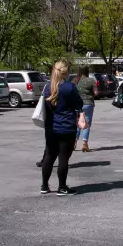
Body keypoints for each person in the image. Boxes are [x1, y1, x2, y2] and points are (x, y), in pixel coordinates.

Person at [41, 60, 84, 195]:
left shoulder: (47, 87)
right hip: (66, 126)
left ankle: (44, 186)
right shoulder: (69, 87)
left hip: (50, 127)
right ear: (66, 72)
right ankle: (62, 187)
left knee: (49, 156)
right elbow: (79, 104)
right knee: (63, 157)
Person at [73, 66, 98, 152]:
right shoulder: (91, 81)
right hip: (88, 104)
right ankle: (84, 143)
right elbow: (96, 92)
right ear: (87, 71)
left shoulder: (75, 80)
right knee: (86, 123)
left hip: (77, 104)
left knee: (77, 123)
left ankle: (74, 142)